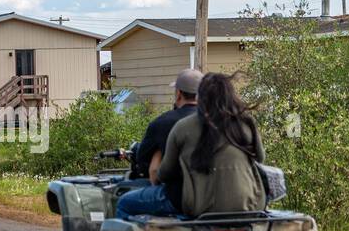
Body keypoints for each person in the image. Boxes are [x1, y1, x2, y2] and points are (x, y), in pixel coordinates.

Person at [156, 72, 266, 217]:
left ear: (199, 97)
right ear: (231, 95)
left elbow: (165, 173)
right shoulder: (246, 123)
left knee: (126, 203)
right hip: (251, 206)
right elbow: (261, 158)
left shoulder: (182, 127)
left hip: (199, 208)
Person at [113, 68, 201, 217]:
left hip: (178, 196)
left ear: (178, 93)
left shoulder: (163, 122)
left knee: (124, 203)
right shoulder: (216, 121)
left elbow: (146, 163)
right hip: (212, 196)